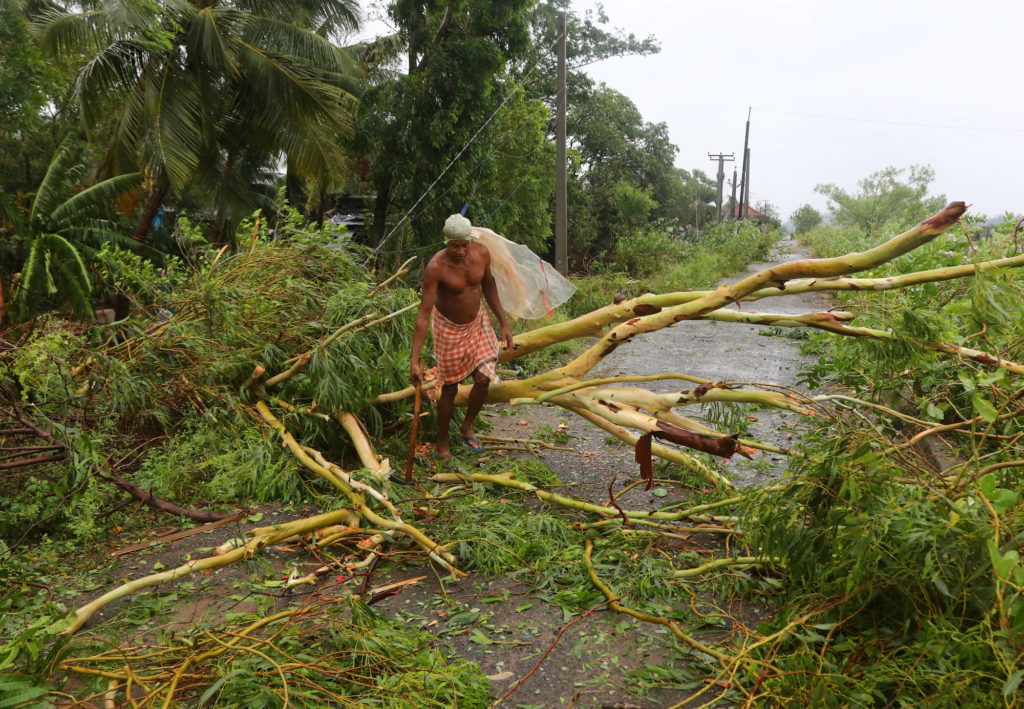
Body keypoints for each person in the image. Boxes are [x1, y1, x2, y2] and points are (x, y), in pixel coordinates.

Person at [410, 214, 514, 459]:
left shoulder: (481, 253)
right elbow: (424, 315)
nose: (459, 251)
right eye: (454, 246)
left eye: (463, 245)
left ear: (470, 240)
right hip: (448, 329)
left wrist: (504, 323)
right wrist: (414, 360)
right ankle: (442, 442)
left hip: (478, 322)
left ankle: (466, 427)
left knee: (482, 380)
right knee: (449, 388)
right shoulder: (436, 267)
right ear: (447, 243)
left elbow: (489, 285)